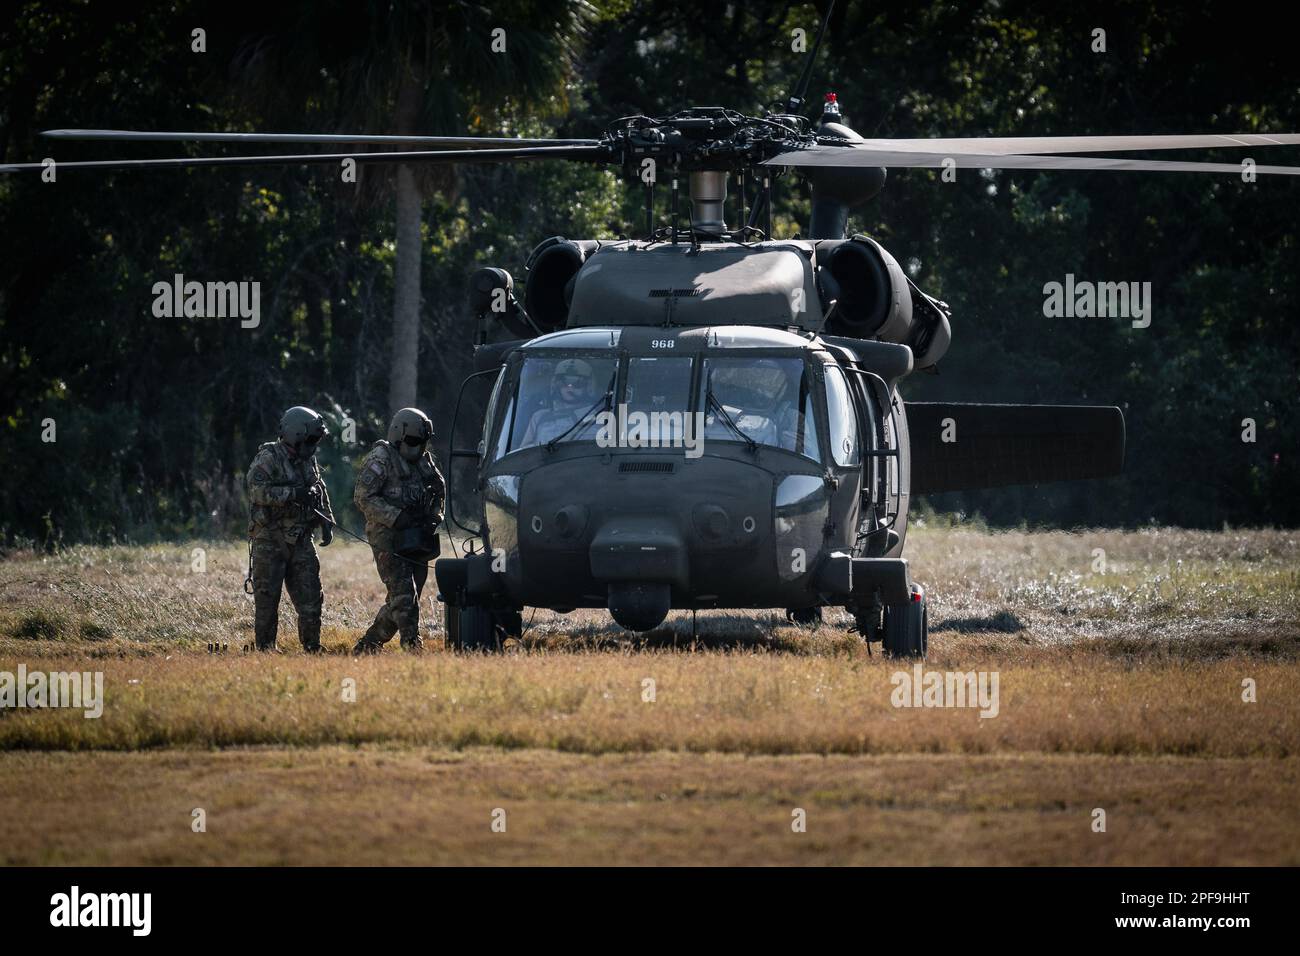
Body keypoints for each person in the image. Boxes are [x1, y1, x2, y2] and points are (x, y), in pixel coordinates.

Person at [352, 407, 446, 654]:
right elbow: (363, 498)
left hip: (417, 535)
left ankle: (368, 645)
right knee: (404, 594)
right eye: (414, 442)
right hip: (387, 536)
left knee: (405, 598)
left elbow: (439, 490)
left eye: (422, 442)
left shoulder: (424, 461)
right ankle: (412, 646)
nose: (419, 448)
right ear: (399, 435)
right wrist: (396, 517)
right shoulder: (380, 459)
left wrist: (434, 517)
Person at [246, 405, 335, 653]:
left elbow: (320, 489)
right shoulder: (268, 458)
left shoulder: (308, 461)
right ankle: (265, 649)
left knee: (311, 598)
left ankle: (312, 646)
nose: (314, 445)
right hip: (269, 540)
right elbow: (256, 492)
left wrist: (327, 521)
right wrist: (293, 494)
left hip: (301, 539)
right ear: (296, 434)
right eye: (311, 439)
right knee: (266, 600)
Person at [521, 358, 600, 446]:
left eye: (578, 383)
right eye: (564, 382)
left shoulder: (600, 417)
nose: (570, 387)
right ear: (556, 384)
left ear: (589, 386)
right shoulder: (539, 417)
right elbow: (525, 453)